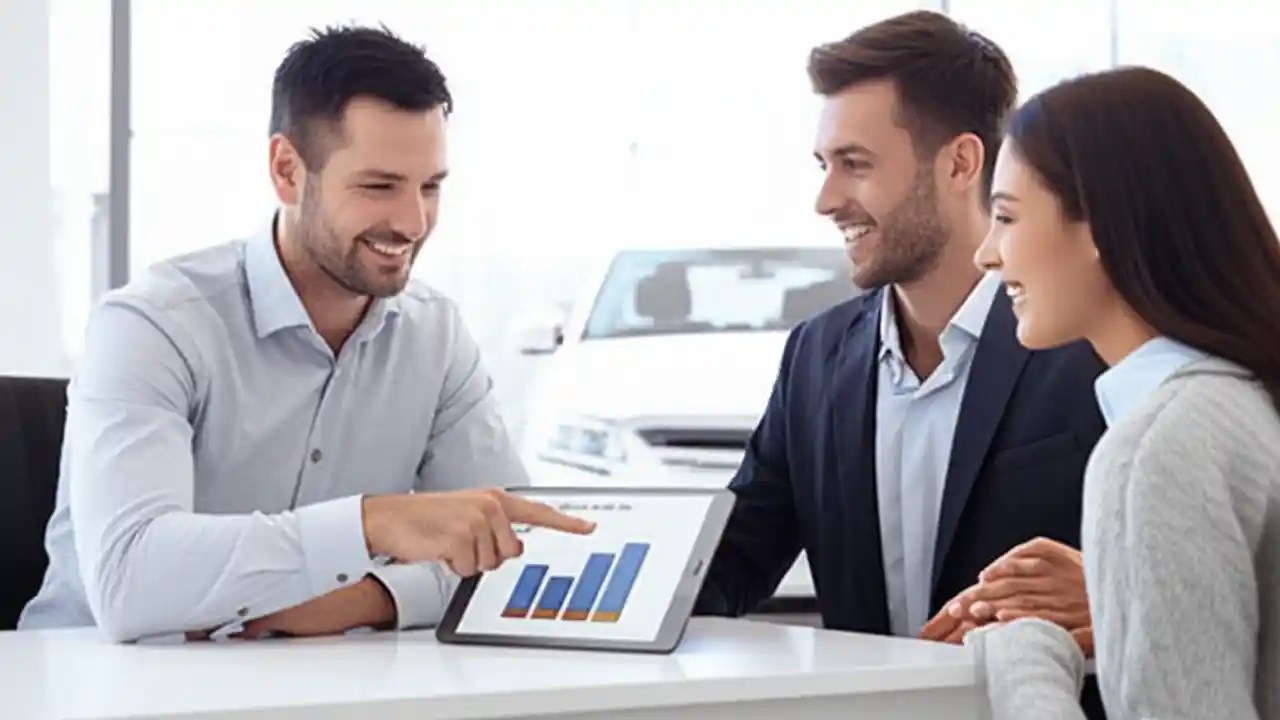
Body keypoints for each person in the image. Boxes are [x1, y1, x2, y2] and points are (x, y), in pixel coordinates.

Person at [19, 25, 593, 644]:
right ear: (288, 171)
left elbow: (522, 551)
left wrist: (364, 598)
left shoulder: (436, 336)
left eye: (430, 186)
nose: (413, 221)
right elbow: (131, 581)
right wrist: (373, 526)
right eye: (379, 186)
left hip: (316, 685)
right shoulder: (153, 326)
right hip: (95, 686)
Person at [693, 12, 1106, 714]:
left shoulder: (1087, 347)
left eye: (855, 164)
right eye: (825, 167)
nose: (826, 201)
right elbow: (729, 561)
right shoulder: (816, 358)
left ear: (959, 163)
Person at [964, 66, 1280, 719]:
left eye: (1007, 217)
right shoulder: (1249, 409)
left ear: (1101, 226)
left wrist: (1022, 656)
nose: (987, 254)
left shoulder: (1159, 449)